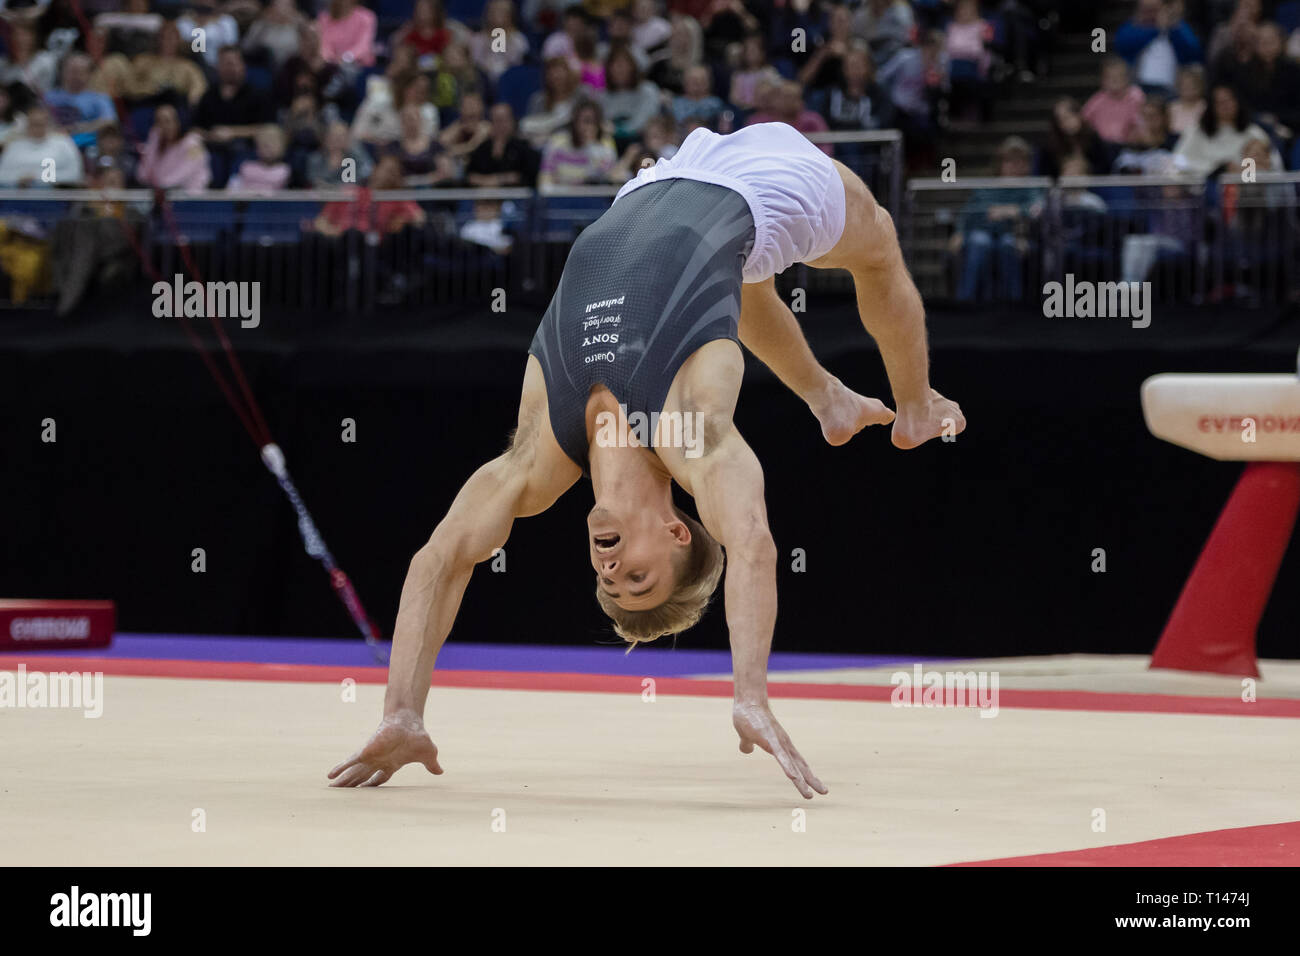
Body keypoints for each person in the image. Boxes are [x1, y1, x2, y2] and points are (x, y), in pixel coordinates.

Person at [326, 120, 964, 797]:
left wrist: (403, 709)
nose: (609, 570)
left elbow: (441, 558)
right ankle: (916, 407)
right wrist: (749, 693)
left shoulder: (542, 456)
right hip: (763, 188)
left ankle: (827, 398)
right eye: (636, 578)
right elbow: (750, 543)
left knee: (740, 279)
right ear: (677, 532)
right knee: (878, 246)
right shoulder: (691, 433)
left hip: (651, 182)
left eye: (607, 584)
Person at [192, 46, 276, 187]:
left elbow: (267, 128)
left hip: (247, 149)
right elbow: (196, 128)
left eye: (233, 63)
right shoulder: (209, 96)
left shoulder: (258, 94)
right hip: (213, 148)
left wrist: (232, 132)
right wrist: (210, 135)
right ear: (218, 67)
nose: (230, 68)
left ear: (243, 66)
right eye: (225, 63)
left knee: (239, 160)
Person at [44, 52, 117, 149]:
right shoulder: (49, 97)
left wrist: (78, 128)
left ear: (89, 74)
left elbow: (109, 121)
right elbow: (38, 119)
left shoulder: (100, 98)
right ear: (62, 72)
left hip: (87, 148)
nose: (76, 76)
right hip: (52, 146)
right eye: (72, 71)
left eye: (80, 72)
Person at [136, 103, 211, 191]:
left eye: (167, 121)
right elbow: (142, 174)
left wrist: (158, 185)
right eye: (159, 122)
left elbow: (184, 174)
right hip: (164, 195)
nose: (163, 126)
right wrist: (153, 141)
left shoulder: (193, 143)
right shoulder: (158, 142)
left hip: (190, 198)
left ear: (179, 121)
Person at [0, 106, 83, 186]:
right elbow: (2, 175)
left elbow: (75, 173)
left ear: (48, 124)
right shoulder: (15, 146)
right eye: (33, 124)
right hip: (16, 194)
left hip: (54, 195)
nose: (37, 128)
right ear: (27, 125)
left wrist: (39, 178)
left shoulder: (63, 143)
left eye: (41, 124)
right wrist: (18, 178)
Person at [465, 102, 539, 187]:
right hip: (485, 197)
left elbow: (528, 176)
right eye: (496, 120)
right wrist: (488, 181)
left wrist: (499, 179)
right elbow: (469, 176)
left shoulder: (524, 147)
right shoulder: (483, 148)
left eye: (504, 120)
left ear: (513, 122)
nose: (501, 125)